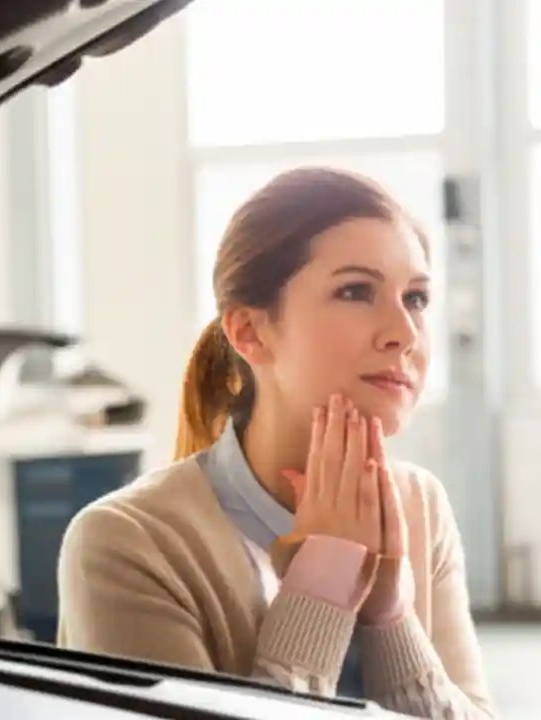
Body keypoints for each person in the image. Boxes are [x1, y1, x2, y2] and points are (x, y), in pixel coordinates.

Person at [56, 167, 495, 718]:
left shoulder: (419, 504)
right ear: (249, 332)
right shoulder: (127, 543)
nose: (404, 333)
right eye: (356, 291)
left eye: (416, 298)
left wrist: (392, 618)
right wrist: (322, 593)